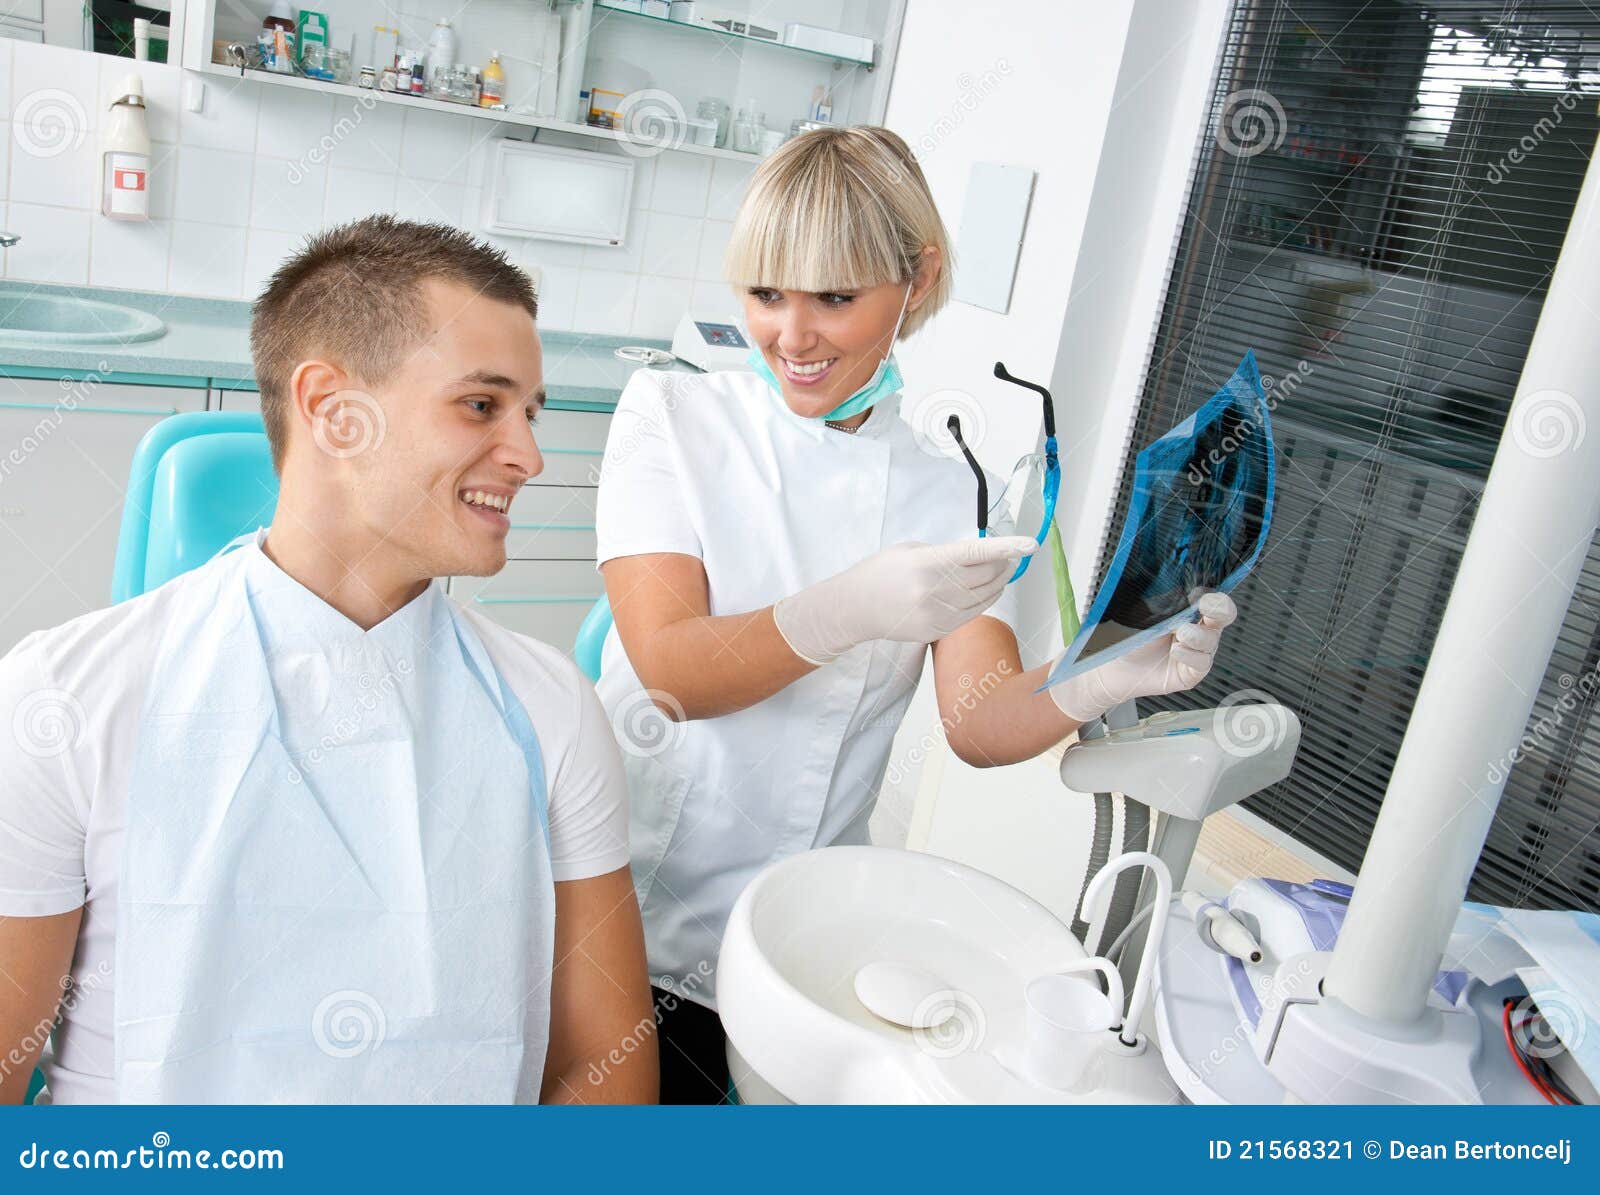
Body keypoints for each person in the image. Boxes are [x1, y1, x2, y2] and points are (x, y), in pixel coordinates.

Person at [593, 127, 1237, 1103]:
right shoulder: (672, 419)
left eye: (835, 299)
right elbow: (673, 671)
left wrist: (1108, 669)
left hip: (798, 928)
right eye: (766, 294)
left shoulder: (945, 491)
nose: (792, 336)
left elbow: (980, 720)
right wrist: (850, 607)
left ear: (917, 276)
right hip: (621, 915)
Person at [0, 216, 655, 1104]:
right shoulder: (68, 699)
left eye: (529, 412)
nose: (530, 454)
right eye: (481, 404)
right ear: (333, 410)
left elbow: (599, 1071)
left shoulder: (553, 713)